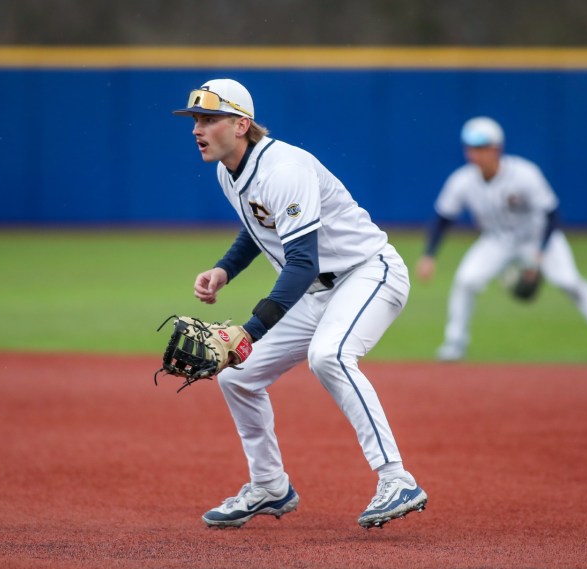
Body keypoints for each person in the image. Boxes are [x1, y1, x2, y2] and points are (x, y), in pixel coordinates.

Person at [172, 78, 427, 529]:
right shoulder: (228, 171)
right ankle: (270, 485)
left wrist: (249, 331)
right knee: (238, 375)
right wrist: (225, 269)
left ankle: (396, 479)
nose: (197, 129)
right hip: (316, 292)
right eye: (195, 119)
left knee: (329, 355)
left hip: (367, 273)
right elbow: (259, 226)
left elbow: (303, 262)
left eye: (209, 119)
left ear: (240, 125)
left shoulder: (284, 169)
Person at [416, 116, 587, 362]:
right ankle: (455, 343)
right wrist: (429, 255)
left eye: (481, 147)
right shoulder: (462, 181)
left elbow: (552, 215)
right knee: (467, 281)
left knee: (569, 282)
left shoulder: (524, 174)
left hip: (537, 237)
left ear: (497, 149)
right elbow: (443, 219)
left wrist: (540, 254)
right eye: (470, 148)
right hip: (497, 241)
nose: (475, 154)